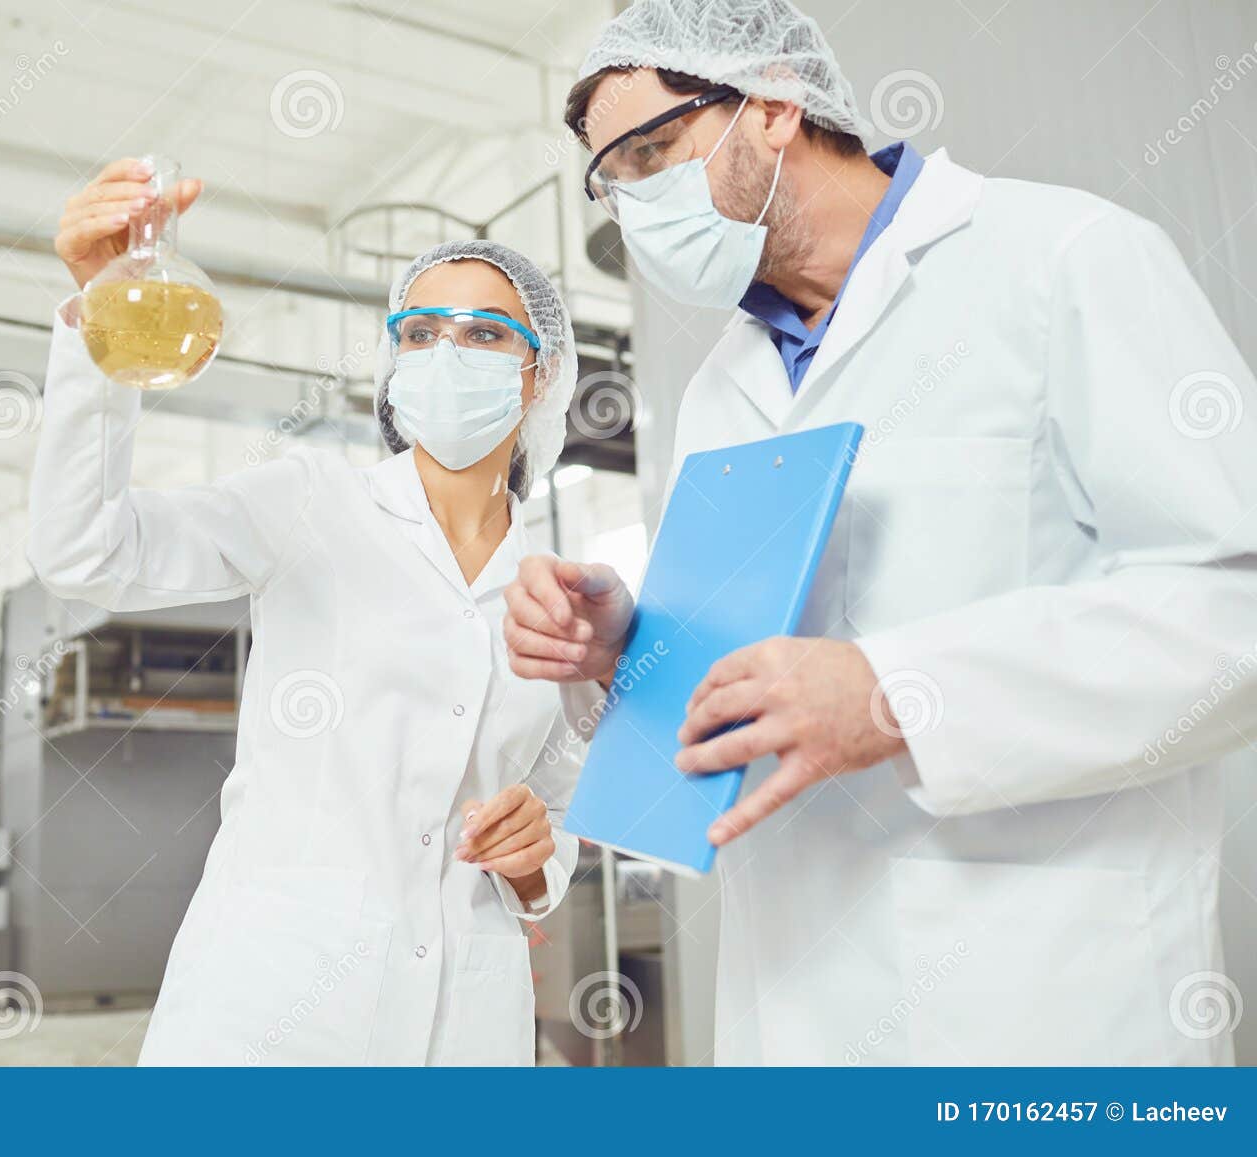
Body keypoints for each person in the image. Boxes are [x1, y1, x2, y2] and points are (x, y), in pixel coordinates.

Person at [505, 0, 1257, 1064]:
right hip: (795, 1001)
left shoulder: (1060, 257)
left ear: (771, 105)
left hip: (1037, 1003)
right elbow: (750, 669)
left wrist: (899, 692)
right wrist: (628, 646)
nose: (631, 202)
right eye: (607, 178)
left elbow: (1231, 607)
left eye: (651, 151)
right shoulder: (725, 383)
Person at [28, 159, 590, 1065]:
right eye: (420, 331)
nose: (446, 351)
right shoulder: (308, 504)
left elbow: (560, 808)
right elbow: (85, 551)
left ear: (542, 373)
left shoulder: (558, 593)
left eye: (485, 333)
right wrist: (104, 311)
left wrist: (536, 861)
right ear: (392, 364)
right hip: (275, 1004)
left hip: (468, 1021)